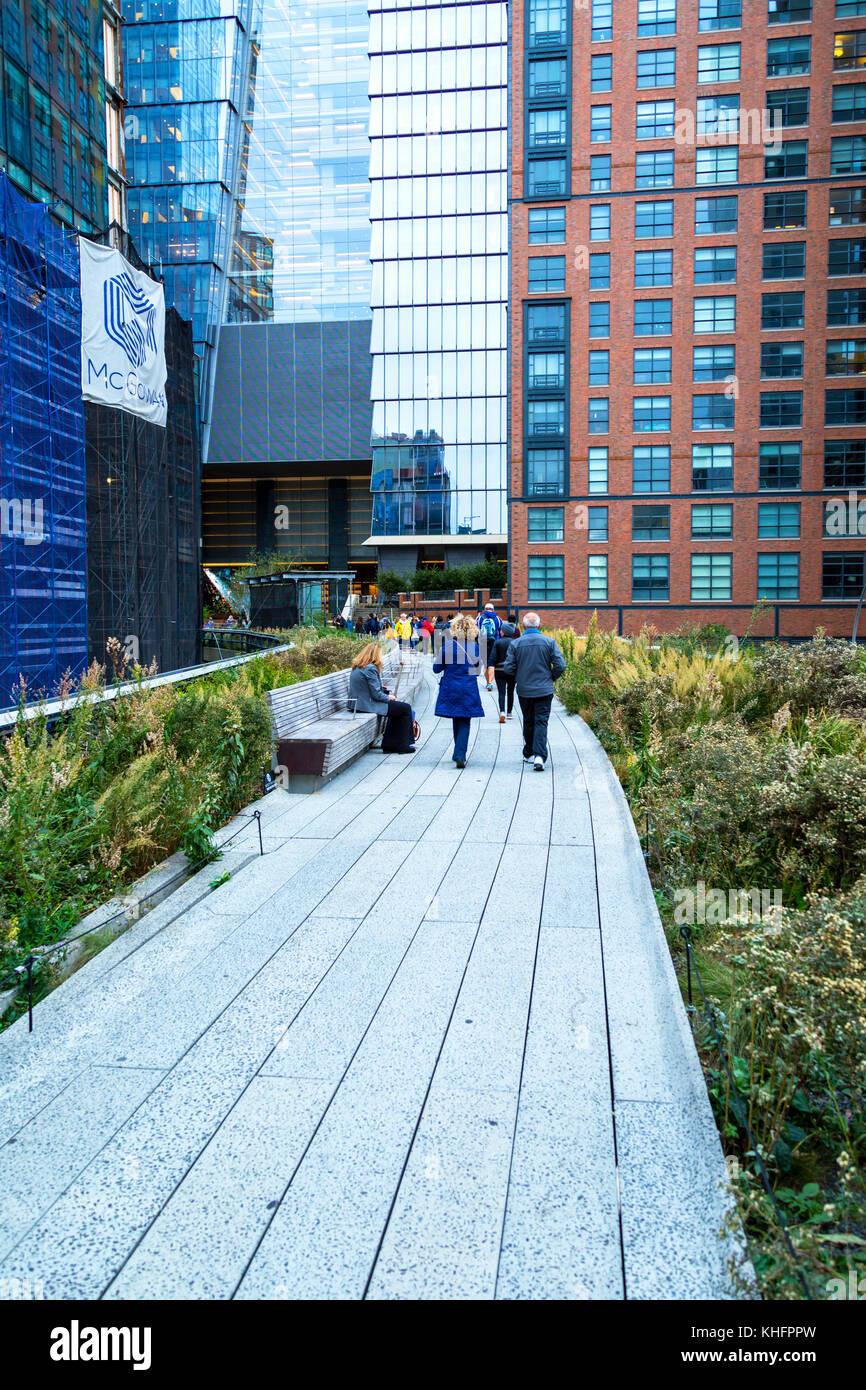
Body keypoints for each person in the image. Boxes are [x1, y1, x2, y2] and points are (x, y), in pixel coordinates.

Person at [502, 613, 566, 771]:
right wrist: (551, 677)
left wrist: (520, 676)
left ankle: (529, 752)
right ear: (539, 625)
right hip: (544, 689)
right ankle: (539, 755)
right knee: (541, 721)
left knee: (528, 720)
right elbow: (560, 665)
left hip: (524, 690)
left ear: (523, 626)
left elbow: (508, 668)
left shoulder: (516, 644)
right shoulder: (549, 642)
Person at [432, 613, 485, 768]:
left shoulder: (448, 646)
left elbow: (436, 669)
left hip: (451, 688)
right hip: (468, 688)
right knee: (464, 719)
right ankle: (460, 753)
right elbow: (477, 671)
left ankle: (458, 752)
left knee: (456, 717)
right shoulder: (475, 648)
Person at [348, 642, 415, 754]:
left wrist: (382, 690)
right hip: (367, 704)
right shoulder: (370, 668)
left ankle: (389, 745)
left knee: (397, 709)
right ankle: (402, 745)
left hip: (358, 703)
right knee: (405, 708)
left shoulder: (357, 667)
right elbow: (376, 695)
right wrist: (389, 697)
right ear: (375, 655)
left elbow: (368, 688)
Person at [490, 621, 518, 724]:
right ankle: (509, 712)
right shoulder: (516, 642)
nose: (500, 631)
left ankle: (502, 712)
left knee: (501, 692)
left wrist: (491, 667)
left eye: (501, 630)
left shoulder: (498, 642)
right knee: (510, 691)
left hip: (499, 670)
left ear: (504, 631)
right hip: (512, 671)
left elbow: (492, 658)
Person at [476, 603, 502, 689]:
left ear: (485, 609)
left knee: (485, 663)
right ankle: (490, 683)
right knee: (492, 663)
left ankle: (487, 682)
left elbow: (475, 631)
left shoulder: (479, 618)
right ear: (493, 610)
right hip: (494, 644)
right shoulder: (498, 619)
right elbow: (501, 632)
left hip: (482, 643)